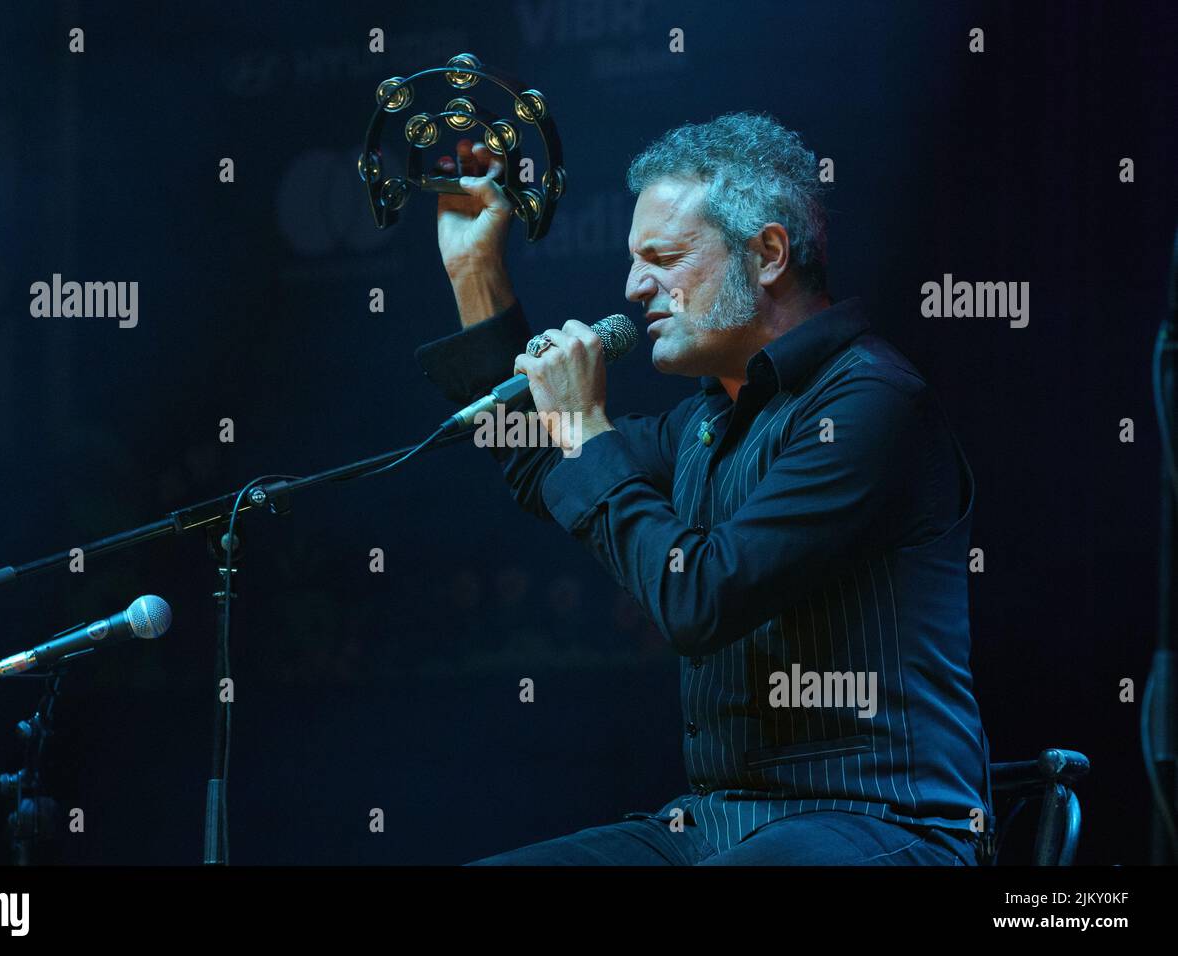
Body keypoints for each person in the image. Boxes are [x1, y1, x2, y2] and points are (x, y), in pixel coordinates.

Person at [417, 112, 990, 865]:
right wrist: (474, 270)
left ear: (768, 254)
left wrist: (585, 424)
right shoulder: (706, 421)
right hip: (718, 825)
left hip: (883, 822)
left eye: (664, 258)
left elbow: (702, 599)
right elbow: (539, 459)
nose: (633, 287)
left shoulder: (872, 403)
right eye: (634, 261)